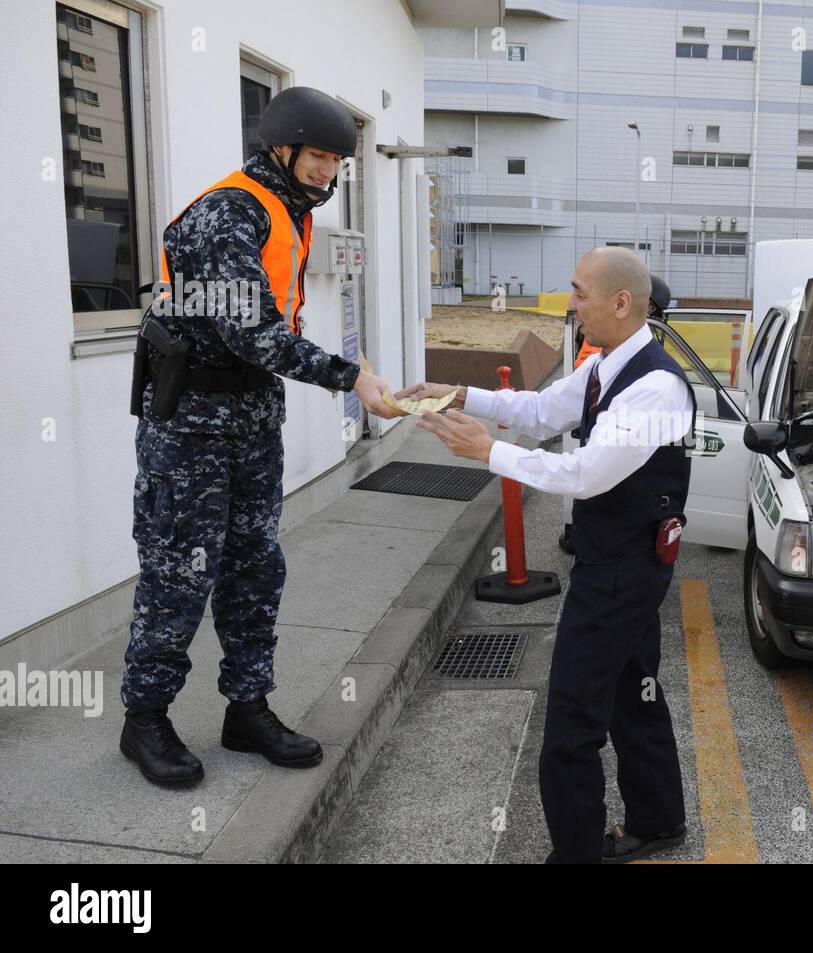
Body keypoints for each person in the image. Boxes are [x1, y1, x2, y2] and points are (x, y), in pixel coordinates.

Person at [121, 86, 398, 788]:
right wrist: (350, 376)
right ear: (281, 149)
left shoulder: (286, 213)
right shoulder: (227, 213)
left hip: (249, 425)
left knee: (253, 569)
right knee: (179, 574)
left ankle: (247, 708)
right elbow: (249, 331)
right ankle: (145, 719)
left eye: (336, 161)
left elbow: (270, 328)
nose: (327, 173)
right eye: (317, 157)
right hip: (190, 432)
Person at [401, 247, 693, 863]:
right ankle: (660, 819)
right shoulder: (605, 368)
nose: (570, 303)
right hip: (626, 562)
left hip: (620, 572)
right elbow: (536, 411)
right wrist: (462, 395)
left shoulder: (655, 390)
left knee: (570, 723)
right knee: (632, 692)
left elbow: (587, 474)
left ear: (620, 302)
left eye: (579, 291)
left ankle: (578, 853)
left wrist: (489, 453)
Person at [558, 274, 673, 554]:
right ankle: (575, 530)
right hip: (593, 410)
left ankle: (577, 530)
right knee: (588, 471)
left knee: (592, 471)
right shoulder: (611, 340)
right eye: (655, 310)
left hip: (596, 412)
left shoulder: (631, 342)